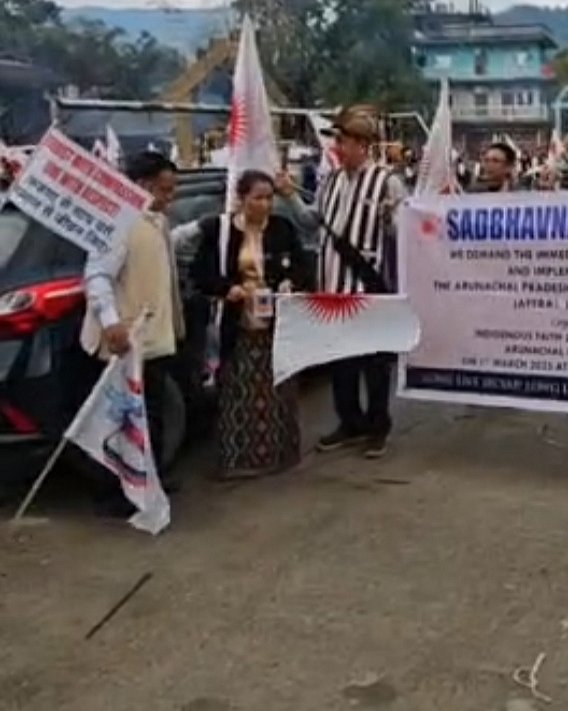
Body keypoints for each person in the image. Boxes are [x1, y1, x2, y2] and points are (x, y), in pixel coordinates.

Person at [278, 106, 406, 458]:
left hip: (370, 285)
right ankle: (350, 422)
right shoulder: (331, 181)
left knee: (375, 363)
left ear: (363, 144)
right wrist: (289, 195)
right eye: (338, 140)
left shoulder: (387, 180)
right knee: (340, 361)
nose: (339, 147)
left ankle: (378, 426)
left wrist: (390, 220)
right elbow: (310, 223)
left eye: (345, 140)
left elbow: (404, 232)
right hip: (333, 284)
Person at [81, 151, 184, 511]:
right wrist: (111, 323)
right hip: (124, 343)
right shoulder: (118, 221)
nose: (170, 198)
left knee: (150, 416)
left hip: (152, 341)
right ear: (142, 185)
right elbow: (96, 277)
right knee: (120, 421)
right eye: (164, 189)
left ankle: (147, 479)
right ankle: (116, 493)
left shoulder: (156, 221)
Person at [192, 170, 311, 479]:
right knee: (238, 391)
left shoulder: (282, 228)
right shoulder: (221, 232)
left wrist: (289, 283)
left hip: (276, 325)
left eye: (270, 198)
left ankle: (278, 456)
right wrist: (226, 289)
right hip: (238, 323)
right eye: (258, 198)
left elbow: (302, 267)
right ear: (242, 198)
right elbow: (200, 274)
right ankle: (239, 460)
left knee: (278, 391)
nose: (265, 205)